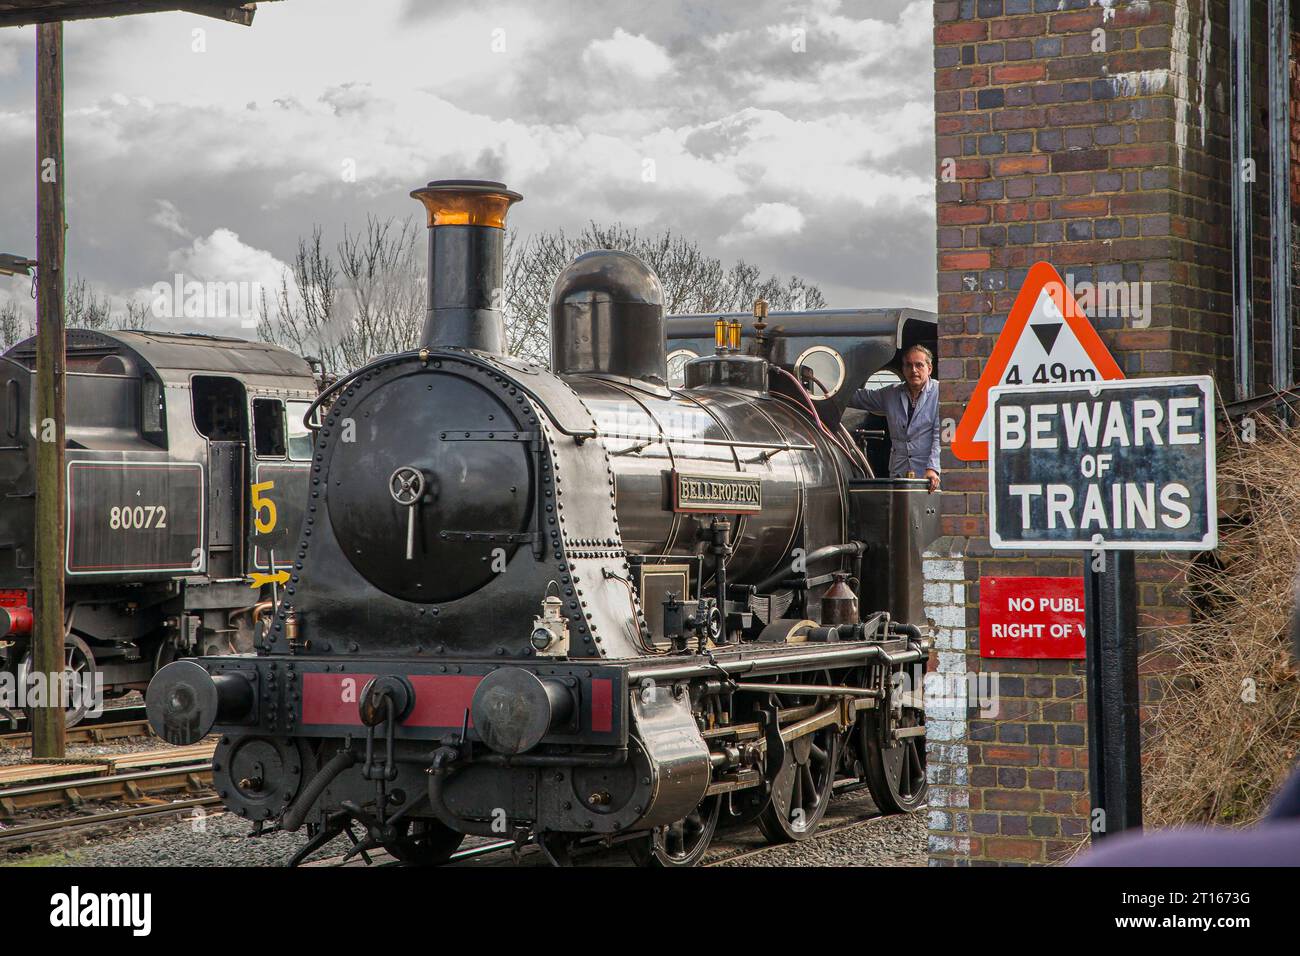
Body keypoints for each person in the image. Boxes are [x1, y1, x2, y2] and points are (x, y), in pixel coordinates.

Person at [848, 344, 941, 492]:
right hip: (899, 472)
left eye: (919, 365)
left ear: (929, 369)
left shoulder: (940, 393)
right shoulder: (891, 393)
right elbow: (860, 398)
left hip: (928, 475)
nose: (914, 370)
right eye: (908, 365)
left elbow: (940, 436)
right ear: (903, 369)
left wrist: (933, 468)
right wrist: (831, 389)